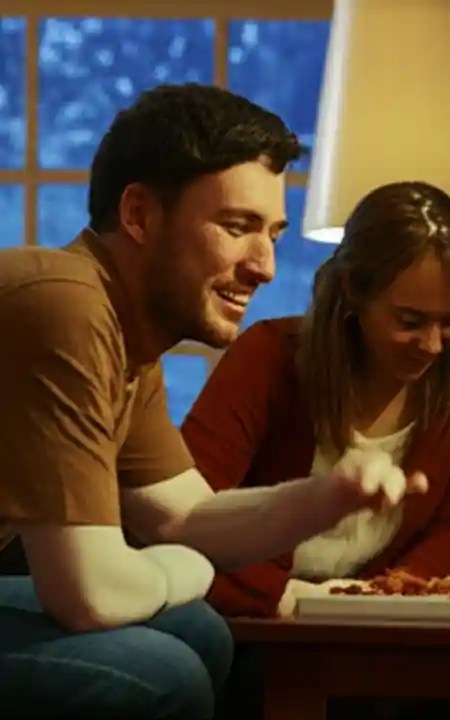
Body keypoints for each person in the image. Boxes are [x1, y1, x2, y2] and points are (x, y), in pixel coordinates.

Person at [0, 84, 427, 720]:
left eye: (274, 235)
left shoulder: (126, 336)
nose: (265, 267)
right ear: (140, 215)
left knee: (201, 632)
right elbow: (89, 594)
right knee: (159, 672)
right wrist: (183, 571)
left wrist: (328, 495)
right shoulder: (63, 305)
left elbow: (185, 517)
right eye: (237, 228)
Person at [182, 180, 450, 619]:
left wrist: (380, 602)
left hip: (391, 623)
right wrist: (292, 599)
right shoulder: (268, 357)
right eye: (410, 321)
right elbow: (188, 521)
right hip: (258, 617)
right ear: (354, 292)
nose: (433, 345)